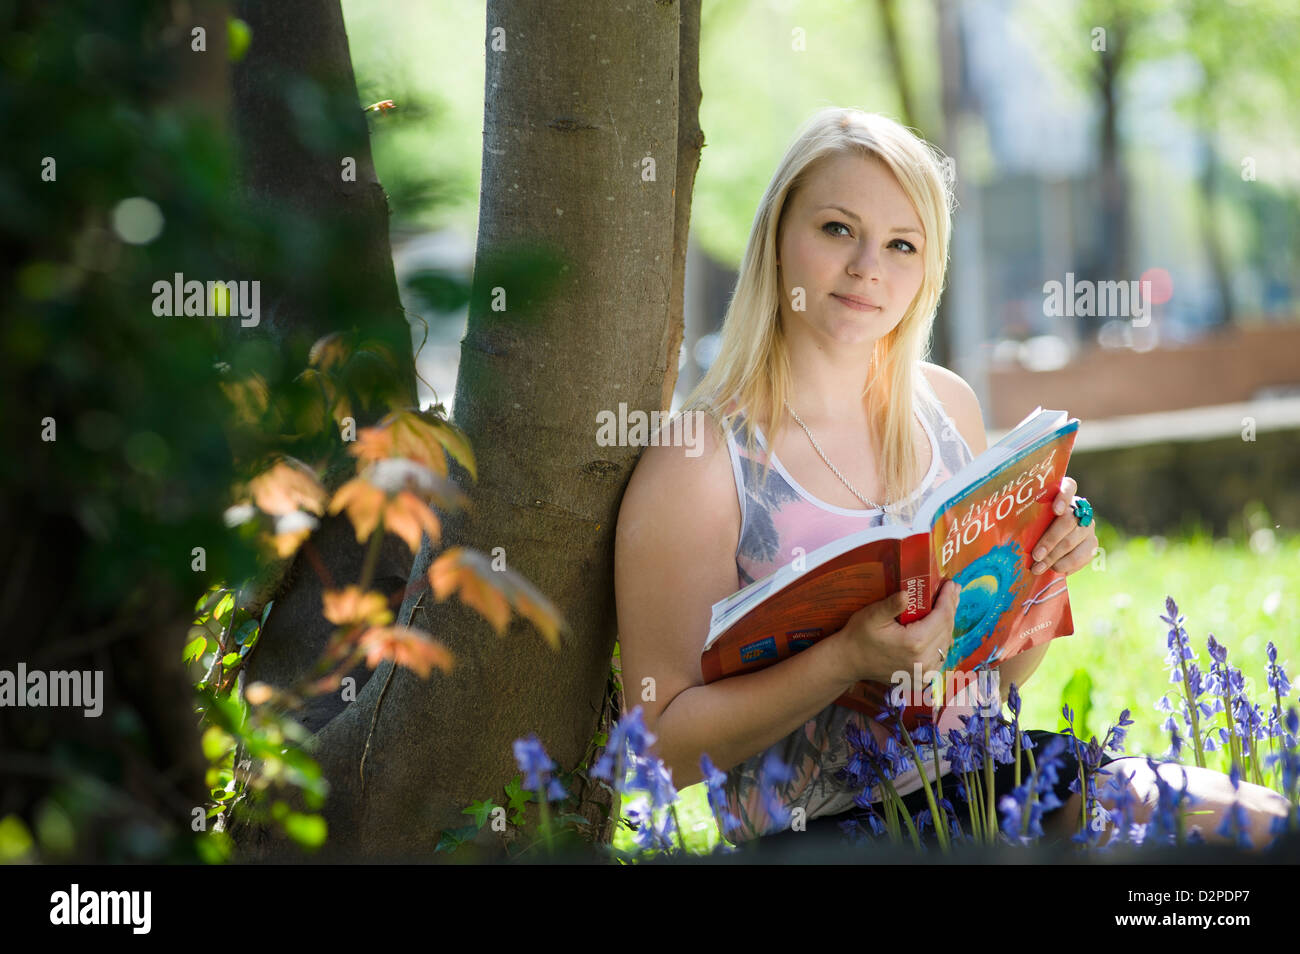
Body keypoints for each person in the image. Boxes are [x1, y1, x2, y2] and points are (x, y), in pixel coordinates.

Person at [613, 107, 1290, 854]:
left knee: (1256, 828)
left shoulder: (947, 408)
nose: (868, 266)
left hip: (987, 780)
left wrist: (1041, 573)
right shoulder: (701, 460)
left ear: (927, 270)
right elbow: (656, 751)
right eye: (837, 229)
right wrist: (843, 662)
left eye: (902, 244)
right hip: (831, 837)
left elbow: (997, 681)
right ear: (776, 237)